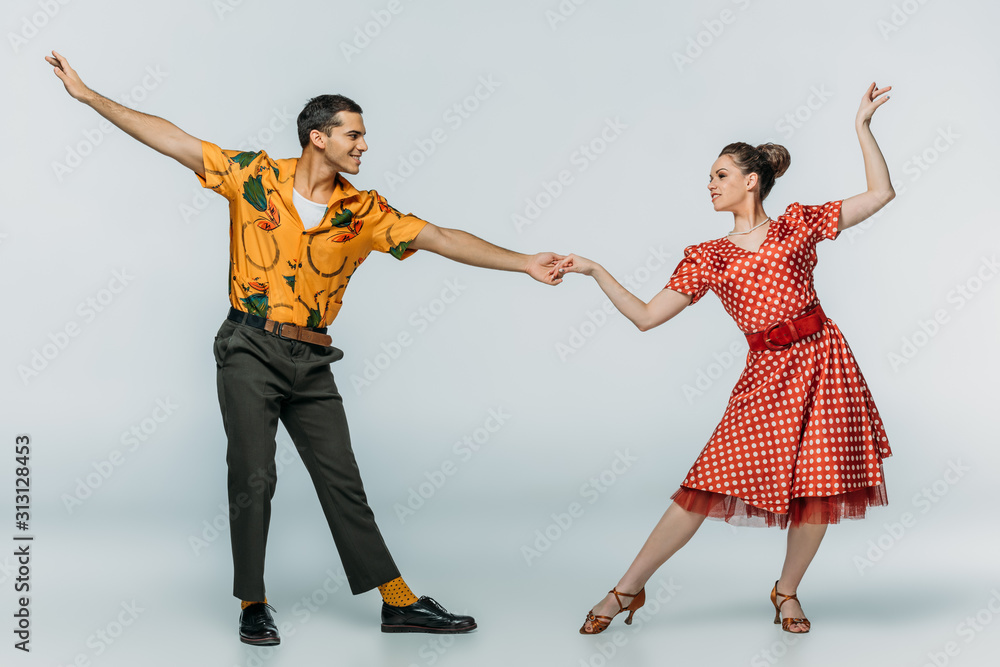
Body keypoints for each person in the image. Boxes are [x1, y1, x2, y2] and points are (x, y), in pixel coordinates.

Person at [45, 50, 566, 645]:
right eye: (354, 135)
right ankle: (253, 601)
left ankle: (397, 603)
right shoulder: (255, 176)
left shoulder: (364, 212)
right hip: (248, 345)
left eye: (364, 137)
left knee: (343, 480)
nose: (364, 146)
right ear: (318, 138)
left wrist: (523, 261)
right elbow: (174, 140)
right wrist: (91, 97)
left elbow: (442, 237)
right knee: (254, 476)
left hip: (312, 359)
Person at [551, 82, 894, 635]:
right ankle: (625, 590)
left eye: (720, 175)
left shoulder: (796, 224)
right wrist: (594, 270)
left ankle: (786, 593)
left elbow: (880, 195)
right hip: (767, 375)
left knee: (818, 487)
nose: (709, 185)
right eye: (710, 177)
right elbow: (644, 316)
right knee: (703, 485)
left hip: (826, 363)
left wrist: (862, 129)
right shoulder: (707, 257)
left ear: (751, 181)